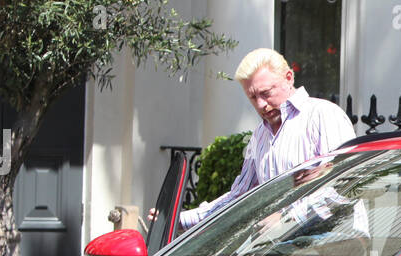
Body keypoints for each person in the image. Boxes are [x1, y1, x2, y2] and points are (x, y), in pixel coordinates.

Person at [153, 48, 357, 233]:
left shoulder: (323, 115)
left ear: (289, 78)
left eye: (266, 93)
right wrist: (178, 220)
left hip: (337, 250)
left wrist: (287, 218)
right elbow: (239, 198)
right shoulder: (260, 135)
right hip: (291, 252)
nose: (261, 105)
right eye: (252, 97)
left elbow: (344, 182)